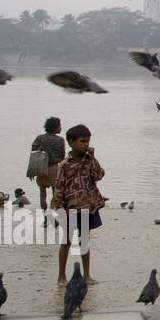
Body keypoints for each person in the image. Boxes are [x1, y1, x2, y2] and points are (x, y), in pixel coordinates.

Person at [51, 123, 106, 286]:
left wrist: (93, 157)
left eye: (88, 141)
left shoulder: (90, 161)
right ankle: (61, 276)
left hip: (87, 208)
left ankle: (87, 275)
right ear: (71, 142)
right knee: (66, 242)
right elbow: (59, 188)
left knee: (84, 241)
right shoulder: (65, 165)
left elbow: (99, 175)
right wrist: (57, 209)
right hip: (71, 209)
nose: (86, 144)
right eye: (83, 141)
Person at [30, 116, 65, 210]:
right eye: (59, 126)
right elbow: (62, 157)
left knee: (42, 194)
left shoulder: (40, 138)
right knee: (55, 194)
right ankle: (52, 213)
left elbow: (33, 152)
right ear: (55, 127)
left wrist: (32, 170)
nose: (61, 127)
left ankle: (44, 216)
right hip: (54, 168)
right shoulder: (60, 140)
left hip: (41, 168)